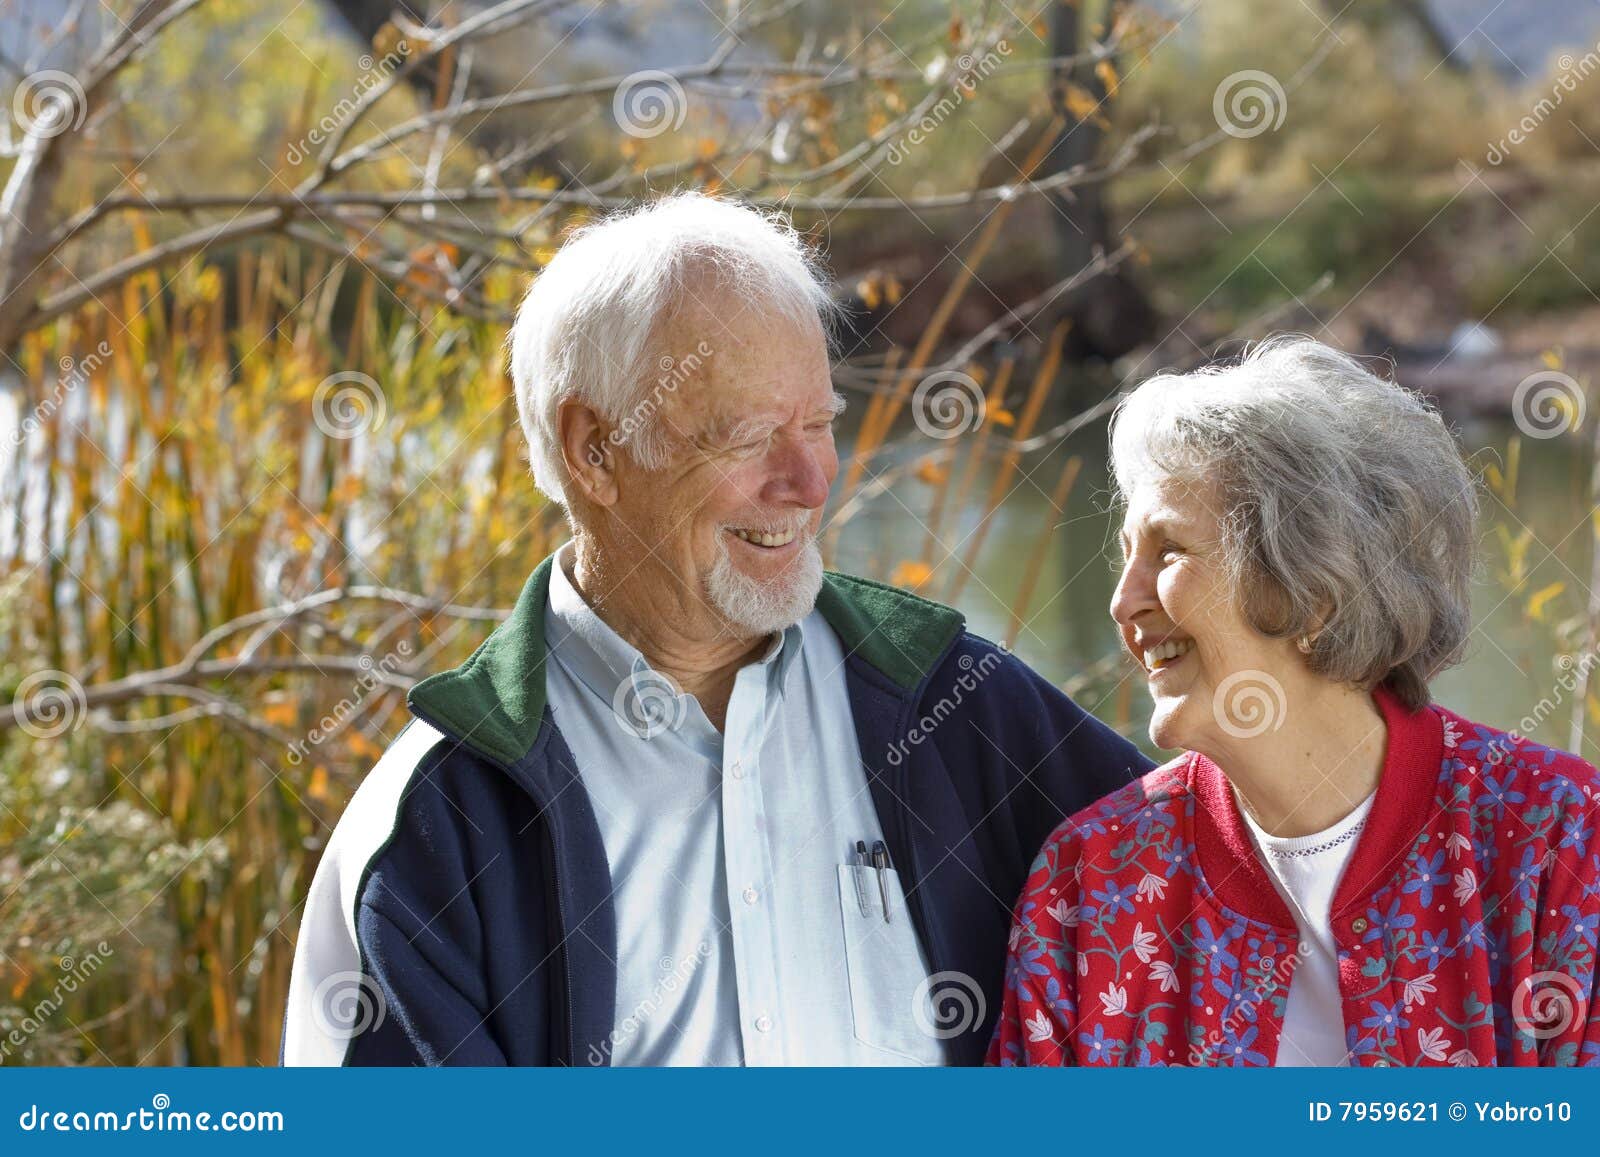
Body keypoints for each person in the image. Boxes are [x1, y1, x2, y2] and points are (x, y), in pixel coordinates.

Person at [281, 191, 1151, 1066]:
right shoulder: (431, 837)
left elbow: (1234, 882)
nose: (811, 481)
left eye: (819, 425)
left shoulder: (965, 708)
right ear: (594, 450)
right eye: (747, 438)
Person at [990, 337, 1600, 1067]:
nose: (1125, 601)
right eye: (1125, 554)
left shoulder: (1558, 841)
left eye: (1169, 551)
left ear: (1314, 590)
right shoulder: (1090, 886)